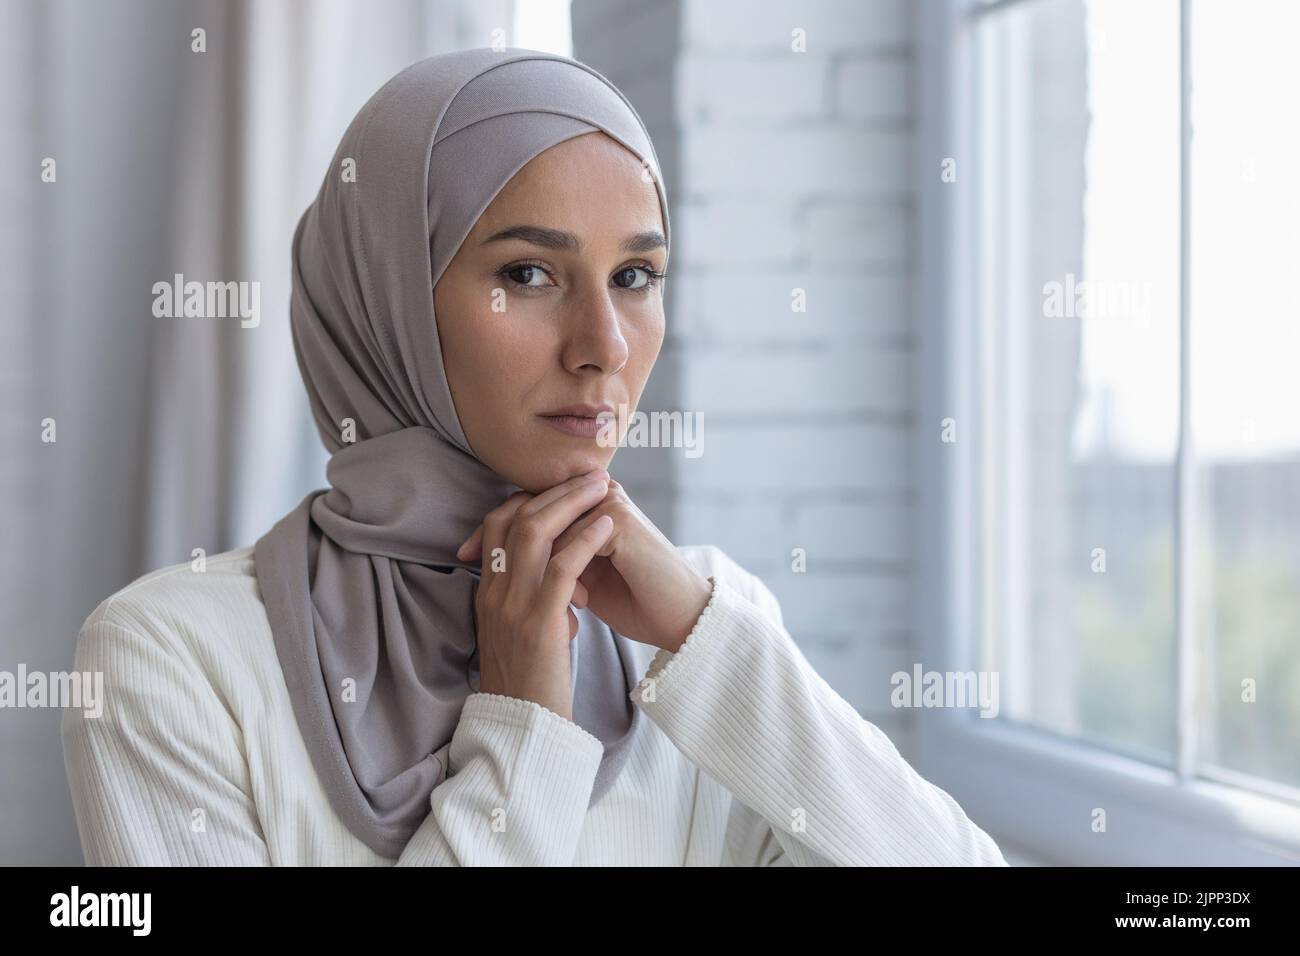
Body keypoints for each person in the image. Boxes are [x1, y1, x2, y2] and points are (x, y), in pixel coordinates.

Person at [62, 47, 1008, 867]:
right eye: (528, 273)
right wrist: (524, 741)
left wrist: (706, 640)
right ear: (386, 300)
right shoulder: (172, 658)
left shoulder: (700, 626)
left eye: (635, 276)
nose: (606, 344)